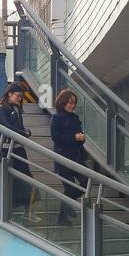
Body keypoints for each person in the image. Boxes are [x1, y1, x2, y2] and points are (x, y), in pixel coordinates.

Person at [0, 82, 34, 220]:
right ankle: (11, 209)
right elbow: (6, 127)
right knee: (12, 179)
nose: (20, 98)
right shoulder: (2, 109)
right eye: (18, 95)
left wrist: (24, 132)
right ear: (9, 93)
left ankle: (26, 210)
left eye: (21, 96)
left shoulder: (16, 110)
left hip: (16, 148)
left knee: (26, 178)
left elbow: (15, 128)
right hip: (6, 149)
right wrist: (23, 133)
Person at [50, 89, 88, 225]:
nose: (72, 105)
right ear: (63, 102)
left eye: (74, 103)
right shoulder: (56, 117)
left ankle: (67, 205)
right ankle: (63, 217)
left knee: (86, 182)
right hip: (63, 159)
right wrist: (74, 137)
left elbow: (80, 135)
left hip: (78, 157)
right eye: (70, 103)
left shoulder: (74, 118)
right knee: (70, 188)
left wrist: (81, 137)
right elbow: (55, 137)